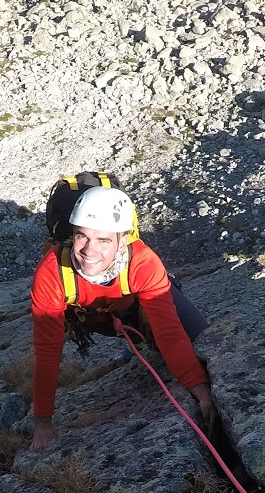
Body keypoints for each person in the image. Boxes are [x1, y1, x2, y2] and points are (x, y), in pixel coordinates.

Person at [29, 185, 215, 451]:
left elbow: (169, 334)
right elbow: (47, 352)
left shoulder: (142, 263)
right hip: (93, 317)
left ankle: (136, 341)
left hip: (134, 307)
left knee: (200, 338)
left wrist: (202, 393)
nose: (89, 251)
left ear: (123, 240)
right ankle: (132, 340)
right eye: (82, 236)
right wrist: (43, 423)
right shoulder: (52, 273)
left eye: (103, 240)